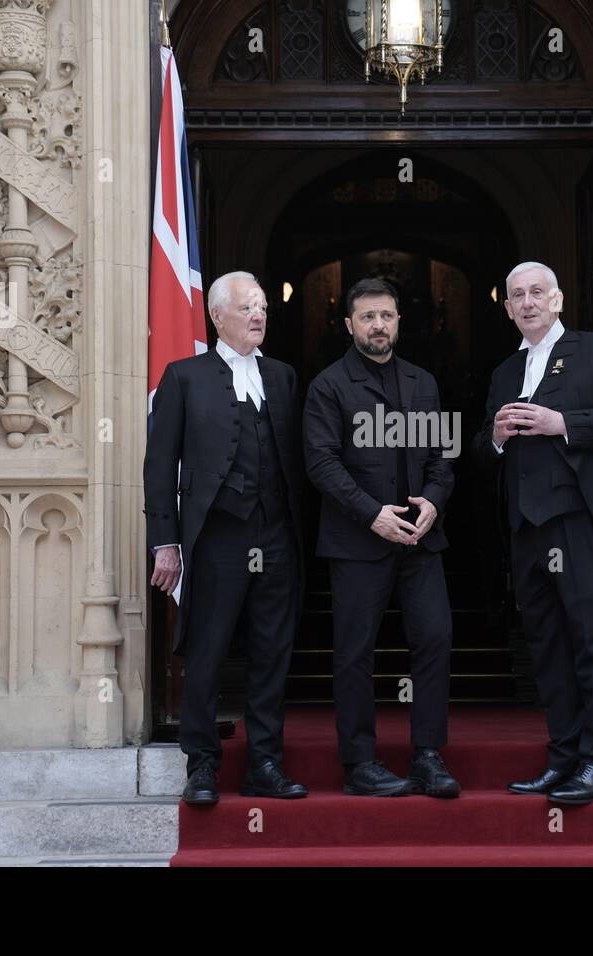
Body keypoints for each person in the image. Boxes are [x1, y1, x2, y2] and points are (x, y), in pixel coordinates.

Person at [472, 261, 593, 805]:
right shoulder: (504, 371)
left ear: (558, 299)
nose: (527, 302)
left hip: (581, 524)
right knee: (547, 647)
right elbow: (481, 454)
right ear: (506, 308)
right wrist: (497, 437)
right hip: (527, 529)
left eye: (537, 293)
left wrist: (563, 423)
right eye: (517, 295)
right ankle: (564, 757)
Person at [144, 271, 308, 806]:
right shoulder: (183, 377)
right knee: (209, 651)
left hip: (277, 535)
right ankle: (203, 765)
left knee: (271, 652)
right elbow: (159, 465)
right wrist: (165, 542)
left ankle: (264, 762)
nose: (259, 316)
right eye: (247, 308)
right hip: (216, 538)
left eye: (263, 307)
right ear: (217, 316)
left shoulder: (282, 376)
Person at [303, 278, 459, 798]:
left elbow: (442, 457)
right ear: (349, 325)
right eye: (367, 317)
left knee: (435, 638)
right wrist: (371, 514)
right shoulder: (329, 385)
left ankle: (429, 756)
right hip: (357, 541)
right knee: (354, 652)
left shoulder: (424, 382)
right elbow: (321, 463)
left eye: (386, 316)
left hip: (419, 540)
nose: (378, 325)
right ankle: (360, 763)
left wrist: (434, 501)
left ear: (398, 322)